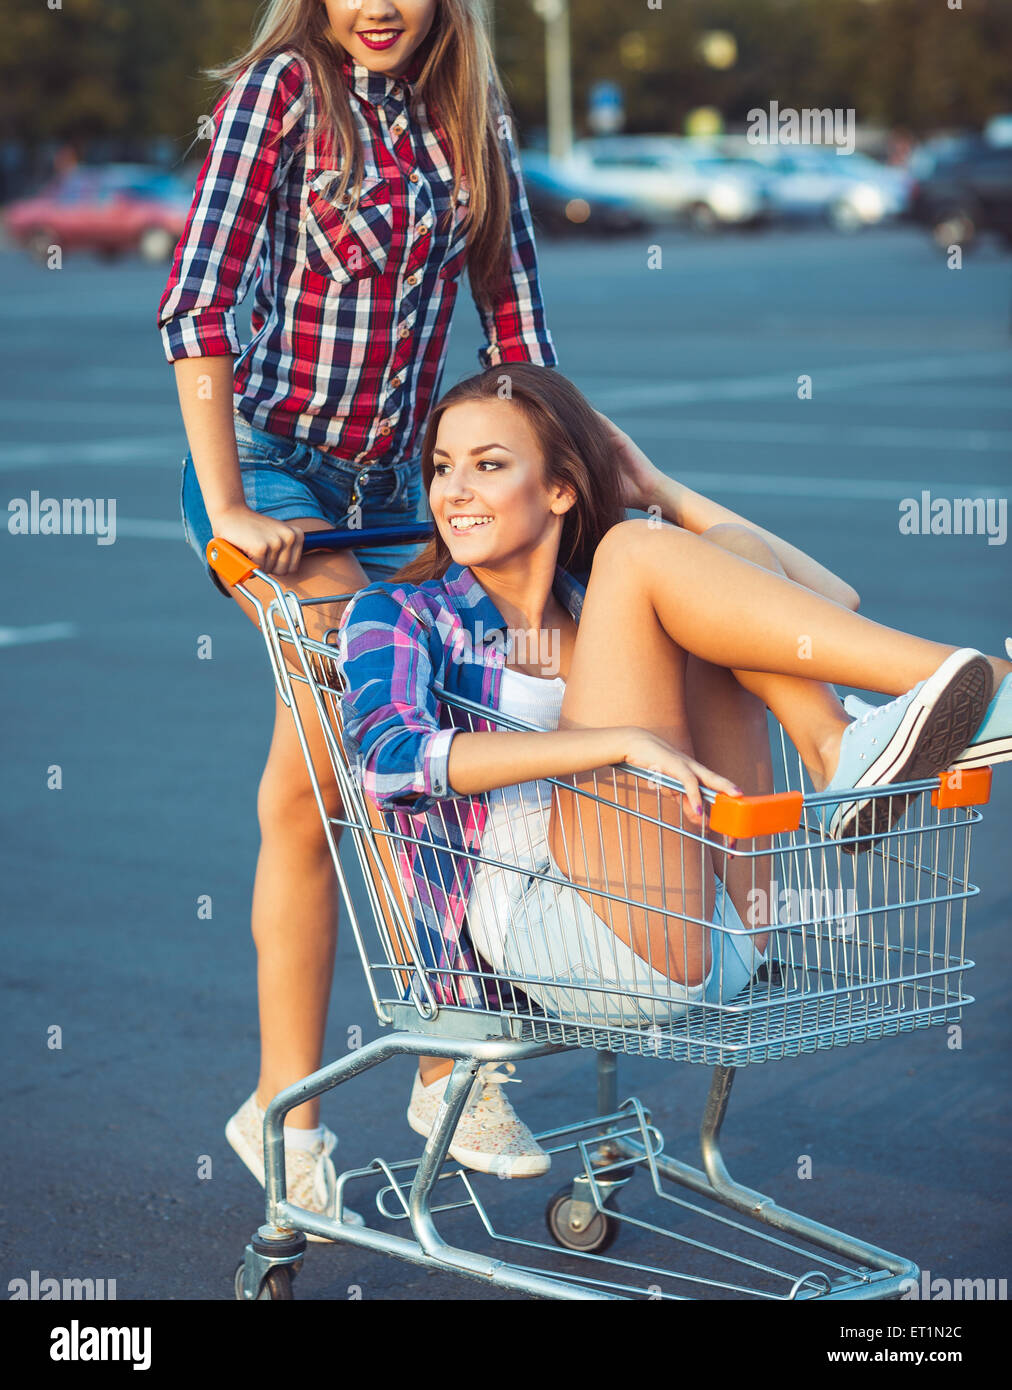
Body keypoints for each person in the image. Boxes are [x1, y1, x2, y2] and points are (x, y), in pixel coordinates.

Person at [337, 363, 1012, 1176]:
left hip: (721, 924)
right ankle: (979, 692)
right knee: (640, 554)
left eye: (488, 463)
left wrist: (661, 486)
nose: (454, 491)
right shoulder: (403, 614)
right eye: (442, 466)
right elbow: (389, 762)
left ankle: (835, 745)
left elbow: (835, 600)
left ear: (560, 489)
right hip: (561, 933)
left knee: (725, 549)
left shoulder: (599, 604)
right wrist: (614, 742)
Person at [156, 1, 600, 1229]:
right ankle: (448, 1061)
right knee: (393, 736)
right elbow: (195, 304)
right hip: (275, 476)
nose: (379, 2)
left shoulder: (470, 117)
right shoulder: (282, 95)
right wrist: (233, 505)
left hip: (405, 487)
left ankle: (282, 1110)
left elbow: (516, 333)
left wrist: (567, 495)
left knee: (311, 788)